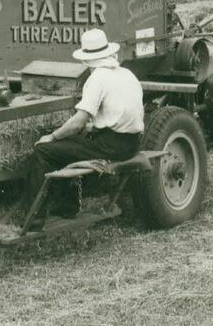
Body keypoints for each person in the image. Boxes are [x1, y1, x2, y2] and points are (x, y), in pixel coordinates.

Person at [27, 28, 145, 224]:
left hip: (112, 146)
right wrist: (94, 128)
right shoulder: (126, 73)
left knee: (44, 150)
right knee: (70, 146)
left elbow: (78, 122)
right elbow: (125, 113)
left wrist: (53, 136)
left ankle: (34, 217)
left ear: (86, 61)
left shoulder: (97, 78)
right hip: (132, 143)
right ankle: (67, 206)